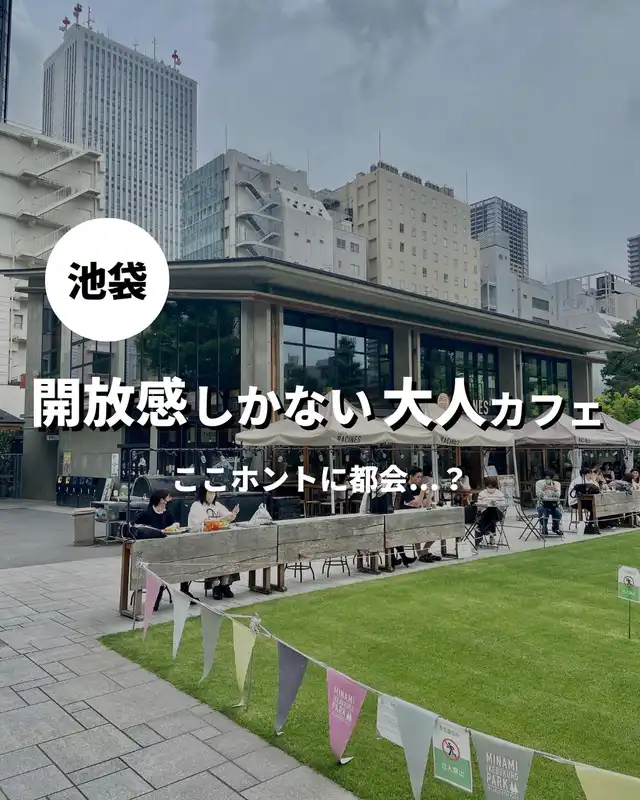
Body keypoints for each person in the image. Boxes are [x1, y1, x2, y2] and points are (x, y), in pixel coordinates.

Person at [187, 483, 240, 600]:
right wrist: (222, 518)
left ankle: (225, 584)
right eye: (210, 493)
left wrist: (232, 514)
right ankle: (215, 586)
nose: (212, 496)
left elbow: (227, 516)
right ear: (203, 493)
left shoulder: (216, 505)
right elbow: (205, 522)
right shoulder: (197, 506)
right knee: (214, 556)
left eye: (214, 493)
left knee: (230, 553)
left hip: (218, 540)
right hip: (202, 542)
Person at [398, 467, 441, 565]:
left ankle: (424, 550)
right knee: (418, 529)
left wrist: (430, 491)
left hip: (418, 517)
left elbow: (426, 504)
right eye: (418, 477)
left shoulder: (417, 488)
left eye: (421, 477)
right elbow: (417, 504)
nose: (420, 479)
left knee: (437, 528)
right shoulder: (405, 489)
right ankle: (420, 553)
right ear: (411, 477)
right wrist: (422, 491)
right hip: (406, 519)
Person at [475, 478, 506, 546]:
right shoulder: (482, 494)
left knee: (493, 509)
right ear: (486, 486)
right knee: (490, 510)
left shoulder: (499, 493)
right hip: (485, 513)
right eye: (489, 486)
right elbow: (479, 507)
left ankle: (480, 527)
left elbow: (503, 506)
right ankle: (492, 534)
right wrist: (486, 504)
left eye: (493, 486)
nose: (491, 488)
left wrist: (496, 503)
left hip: (498, 514)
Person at [535, 470, 562, 536]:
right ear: (544, 478)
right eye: (546, 478)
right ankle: (544, 529)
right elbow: (538, 495)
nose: (548, 480)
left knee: (558, 512)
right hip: (542, 504)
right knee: (545, 511)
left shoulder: (557, 484)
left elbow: (558, 495)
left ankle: (555, 528)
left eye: (549, 478)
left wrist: (554, 490)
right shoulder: (539, 483)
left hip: (554, 505)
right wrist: (543, 490)